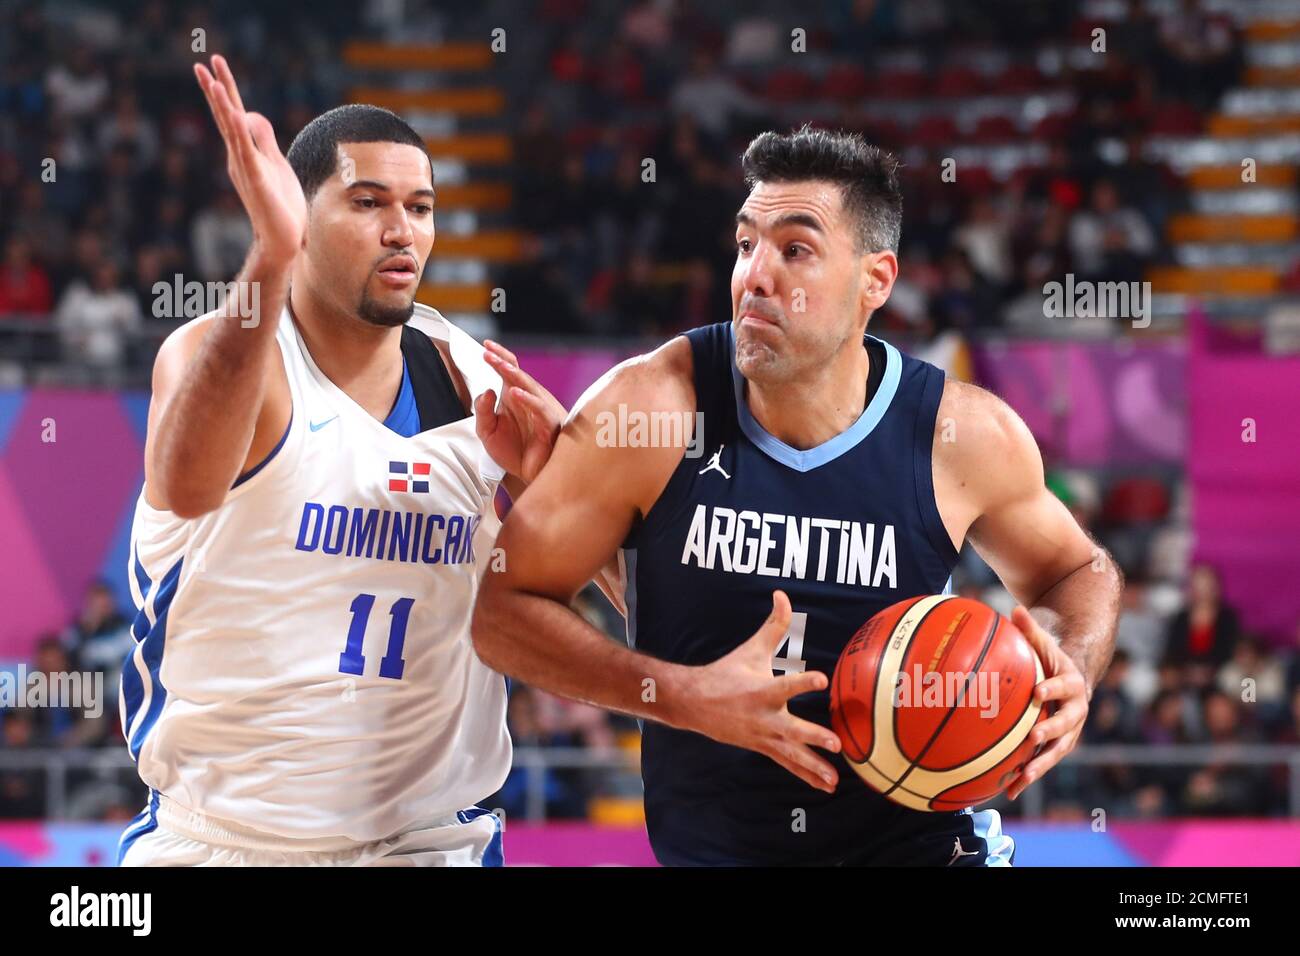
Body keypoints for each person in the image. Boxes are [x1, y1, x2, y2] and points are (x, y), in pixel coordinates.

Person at [473, 127, 1122, 866]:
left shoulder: (963, 436)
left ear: (876, 281)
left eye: (796, 249)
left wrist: (1074, 660)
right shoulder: (652, 407)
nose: (755, 274)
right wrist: (680, 695)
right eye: (746, 244)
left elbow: (1080, 573)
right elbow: (500, 614)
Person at [118, 55, 566, 867]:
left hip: (432, 843)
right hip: (230, 841)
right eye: (368, 203)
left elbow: (584, 576)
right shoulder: (214, 355)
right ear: (301, 212)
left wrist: (555, 486)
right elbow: (186, 487)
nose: (403, 230)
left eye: (421, 208)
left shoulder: (469, 377)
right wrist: (270, 255)